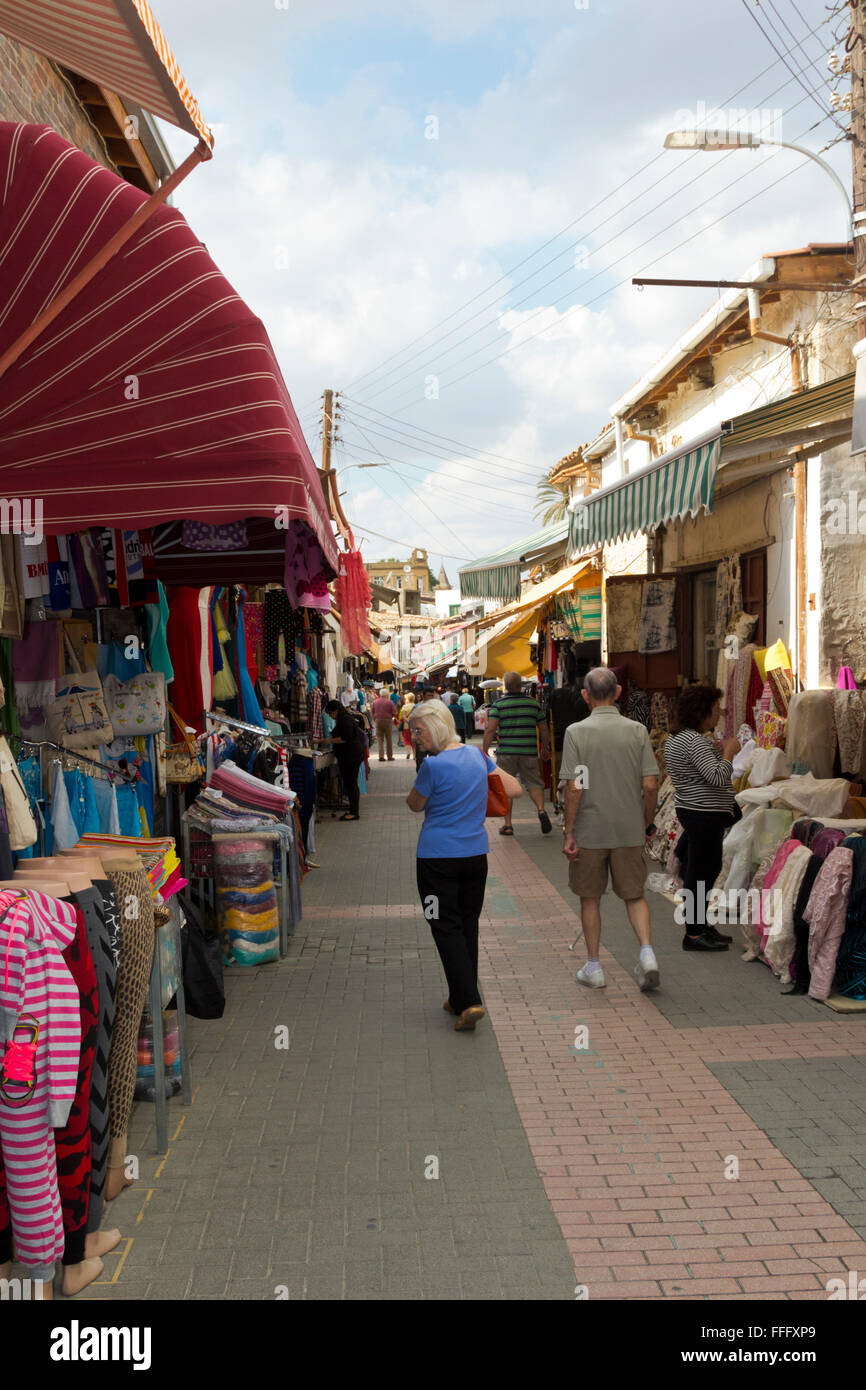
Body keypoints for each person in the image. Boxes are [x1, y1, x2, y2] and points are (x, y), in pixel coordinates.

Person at [406, 698, 523, 1031]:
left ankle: (470, 1001)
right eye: (413, 730)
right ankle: (459, 997)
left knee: (443, 925)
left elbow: (415, 805)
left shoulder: (432, 766)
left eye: (419, 729)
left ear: (437, 724)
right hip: (475, 857)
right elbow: (514, 789)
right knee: (466, 924)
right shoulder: (477, 755)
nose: (415, 736)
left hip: (436, 859)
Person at [560, 667, 661, 992]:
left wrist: (569, 831)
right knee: (634, 895)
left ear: (585, 696)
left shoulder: (576, 732)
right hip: (628, 827)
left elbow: (575, 786)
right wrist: (646, 821)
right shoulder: (637, 731)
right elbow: (649, 783)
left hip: (590, 828)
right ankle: (646, 953)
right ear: (618, 692)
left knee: (590, 898)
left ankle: (594, 967)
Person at [665, 685, 741, 952]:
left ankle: (701, 925)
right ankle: (695, 933)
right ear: (704, 711)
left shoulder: (678, 738)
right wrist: (730, 751)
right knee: (702, 871)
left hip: (696, 811)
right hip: (703, 813)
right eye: (715, 708)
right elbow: (718, 776)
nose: (719, 713)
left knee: (705, 870)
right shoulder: (693, 740)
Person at [483, 671, 551, 837]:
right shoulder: (532, 704)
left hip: (507, 752)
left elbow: (490, 729)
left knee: (507, 787)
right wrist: (545, 747)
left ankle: (508, 825)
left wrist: (484, 751)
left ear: (505, 686)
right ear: (521, 685)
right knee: (534, 783)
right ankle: (541, 811)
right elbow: (543, 727)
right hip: (528, 751)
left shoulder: (498, 705)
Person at [323, 699, 366, 820]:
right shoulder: (345, 718)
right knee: (351, 783)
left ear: (336, 711)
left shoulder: (344, 720)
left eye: (331, 713)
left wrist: (327, 741)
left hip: (351, 756)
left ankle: (354, 812)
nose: (331, 716)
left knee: (351, 783)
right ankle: (353, 810)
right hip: (350, 755)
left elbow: (345, 738)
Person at [371, 687, 398, 762]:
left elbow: (372, 712)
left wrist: (374, 719)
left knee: (380, 739)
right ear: (386, 694)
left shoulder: (375, 702)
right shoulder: (390, 702)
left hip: (378, 720)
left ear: (380, 694)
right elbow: (395, 712)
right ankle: (389, 756)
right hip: (387, 721)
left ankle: (381, 756)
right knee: (389, 739)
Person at [397, 690, 416, 758]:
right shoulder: (415, 706)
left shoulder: (404, 707)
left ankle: (408, 752)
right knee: (414, 740)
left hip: (406, 726)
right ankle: (414, 755)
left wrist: (407, 720)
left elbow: (403, 716)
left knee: (407, 739)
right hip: (414, 725)